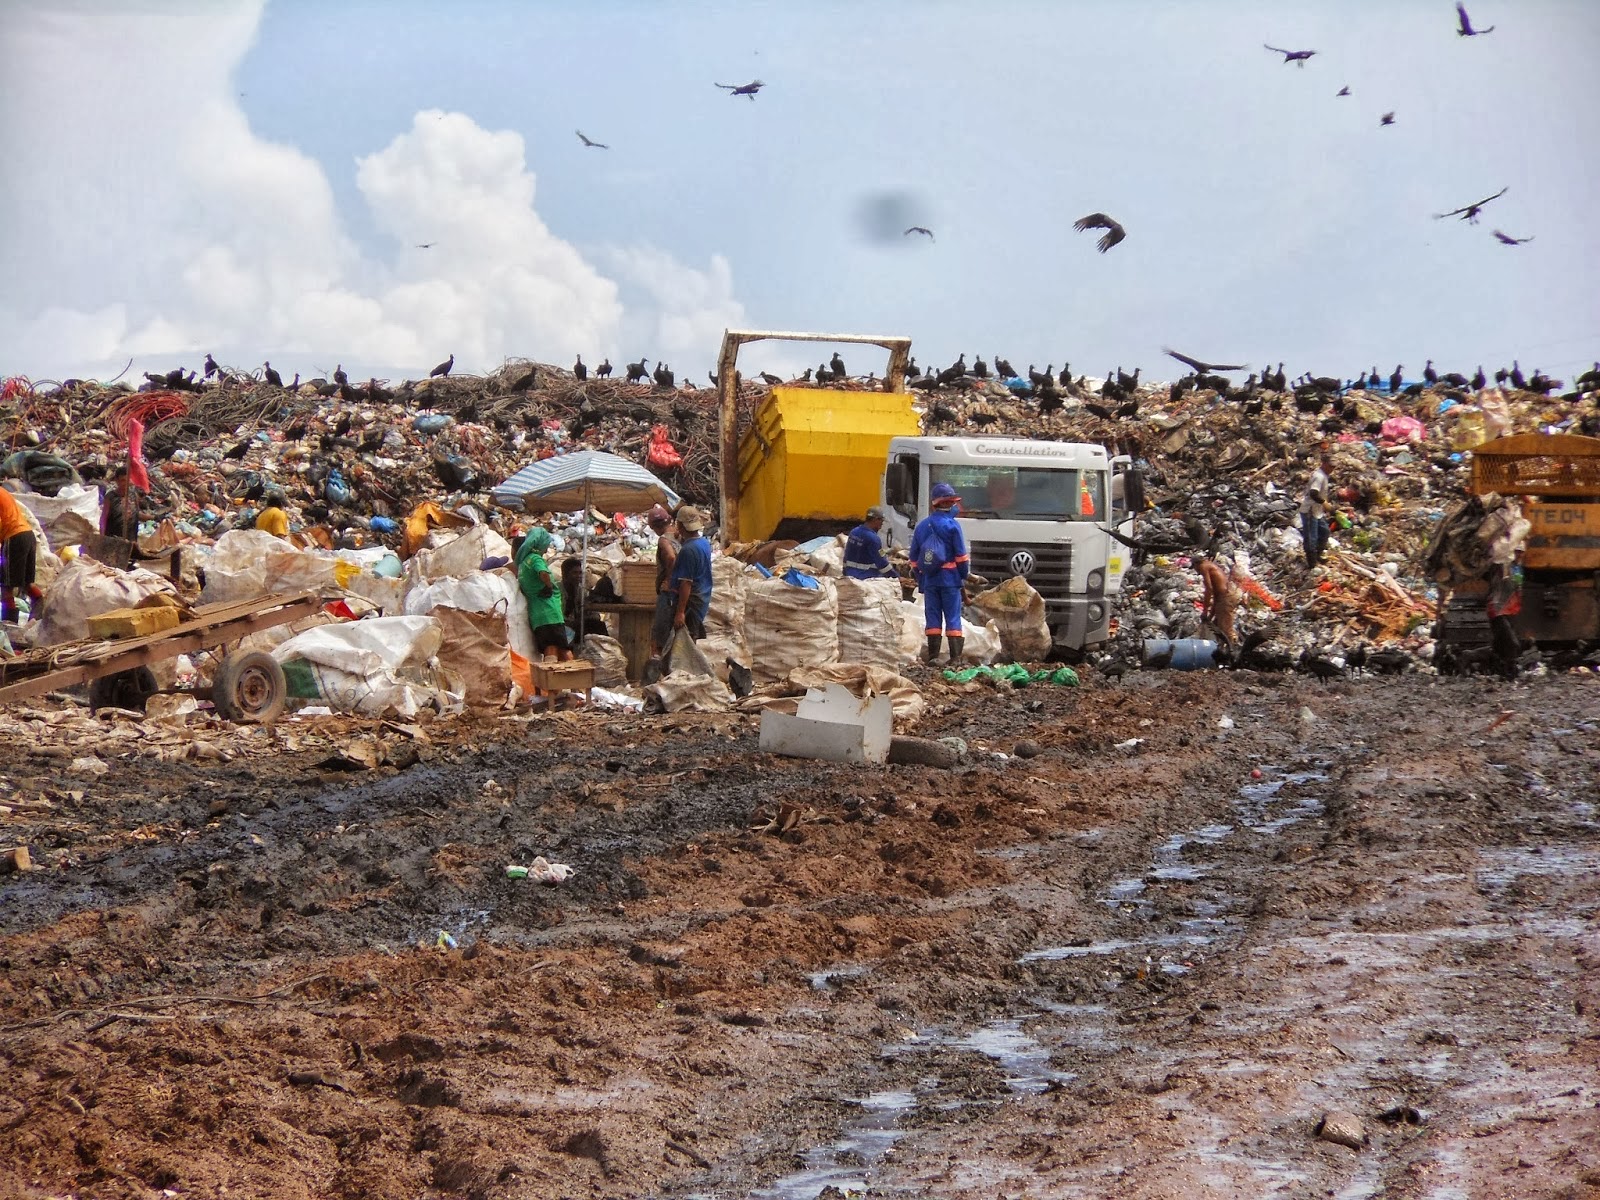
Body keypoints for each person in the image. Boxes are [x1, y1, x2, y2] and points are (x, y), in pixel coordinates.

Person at [909, 482, 970, 663]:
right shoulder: (952, 526)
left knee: (933, 616)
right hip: (950, 580)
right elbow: (961, 557)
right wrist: (963, 576)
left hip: (930, 580)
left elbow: (913, 558)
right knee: (952, 617)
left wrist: (922, 579)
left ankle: (934, 656)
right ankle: (955, 658)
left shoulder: (922, 526)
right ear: (950, 503)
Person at [516, 528, 573, 661]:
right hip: (550, 613)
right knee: (562, 649)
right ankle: (576, 678)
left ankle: (552, 678)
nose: (547, 548)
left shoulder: (524, 563)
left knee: (550, 646)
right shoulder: (536, 559)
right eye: (546, 544)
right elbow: (543, 573)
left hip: (537, 614)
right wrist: (548, 586)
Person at [668, 506, 713, 641]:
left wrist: (680, 612)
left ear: (679, 525)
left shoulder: (688, 550)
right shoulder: (704, 543)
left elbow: (686, 582)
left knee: (685, 644)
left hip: (690, 603)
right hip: (701, 598)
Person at [1, 485, 44, 624]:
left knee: (6, 587)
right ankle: (39, 612)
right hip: (27, 534)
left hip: (13, 536)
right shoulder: (3, 492)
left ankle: (9, 629)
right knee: (26, 583)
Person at [1486, 548, 1524, 680]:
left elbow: (1517, 586)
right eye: (1517, 552)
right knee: (1512, 643)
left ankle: (1505, 671)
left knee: (1501, 643)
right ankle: (1510, 671)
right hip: (1498, 610)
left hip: (1510, 609)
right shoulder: (1501, 567)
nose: (1519, 555)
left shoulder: (1517, 568)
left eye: (1520, 552)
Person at [647, 504, 680, 655]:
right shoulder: (679, 536)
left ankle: (657, 667)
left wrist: (668, 579)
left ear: (655, 526)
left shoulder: (664, 540)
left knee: (659, 634)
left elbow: (671, 557)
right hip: (679, 590)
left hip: (667, 594)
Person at [1197, 547, 1238, 646]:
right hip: (1226, 595)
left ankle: (1232, 650)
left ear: (1196, 564)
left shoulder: (1203, 566)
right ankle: (1218, 647)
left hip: (1226, 596)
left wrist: (1205, 610)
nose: (1196, 571)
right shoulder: (1210, 566)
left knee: (1225, 627)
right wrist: (1210, 616)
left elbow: (1209, 589)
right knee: (1216, 625)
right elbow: (1216, 597)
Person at [843, 505, 897, 580]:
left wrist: (845, 573)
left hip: (850, 576)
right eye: (881, 521)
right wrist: (896, 577)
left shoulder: (854, 532)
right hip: (866, 578)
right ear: (875, 520)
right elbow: (882, 563)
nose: (882, 524)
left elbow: (847, 555)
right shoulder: (873, 539)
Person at [1300, 452, 1333, 568]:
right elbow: (1313, 493)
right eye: (1330, 466)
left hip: (1317, 511)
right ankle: (1312, 563)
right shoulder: (1319, 476)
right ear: (1324, 464)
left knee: (1325, 532)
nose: (1332, 469)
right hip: (1310, 510)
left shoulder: (1324, 475)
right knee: (1311, 538)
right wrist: (1325, 503)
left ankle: (1318, 555)